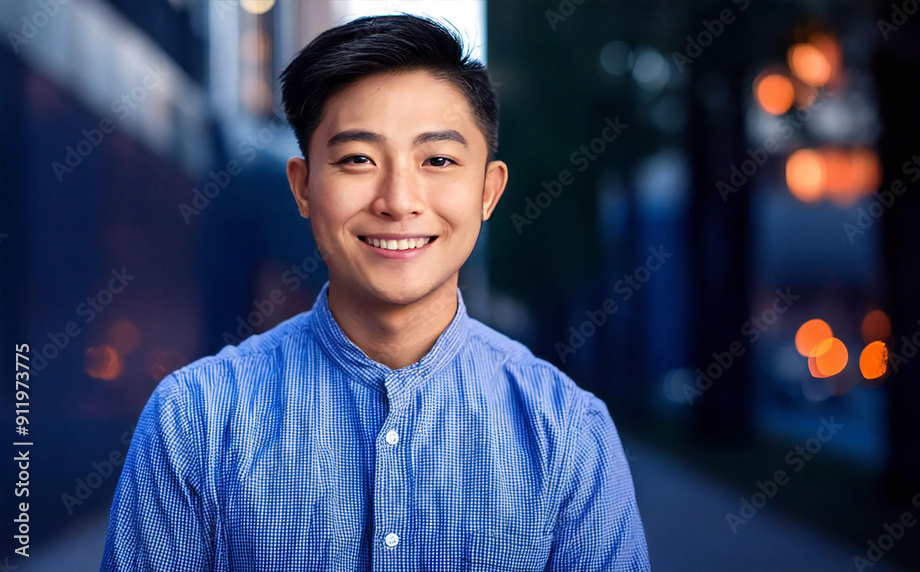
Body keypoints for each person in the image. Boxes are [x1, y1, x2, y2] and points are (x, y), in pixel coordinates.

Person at [101, 13, 649, 571]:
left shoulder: (568, 434)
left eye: (437, 160)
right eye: (358, 159)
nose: (398, 200)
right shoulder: (193, 419)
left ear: (488, 191)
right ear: (304, 187)